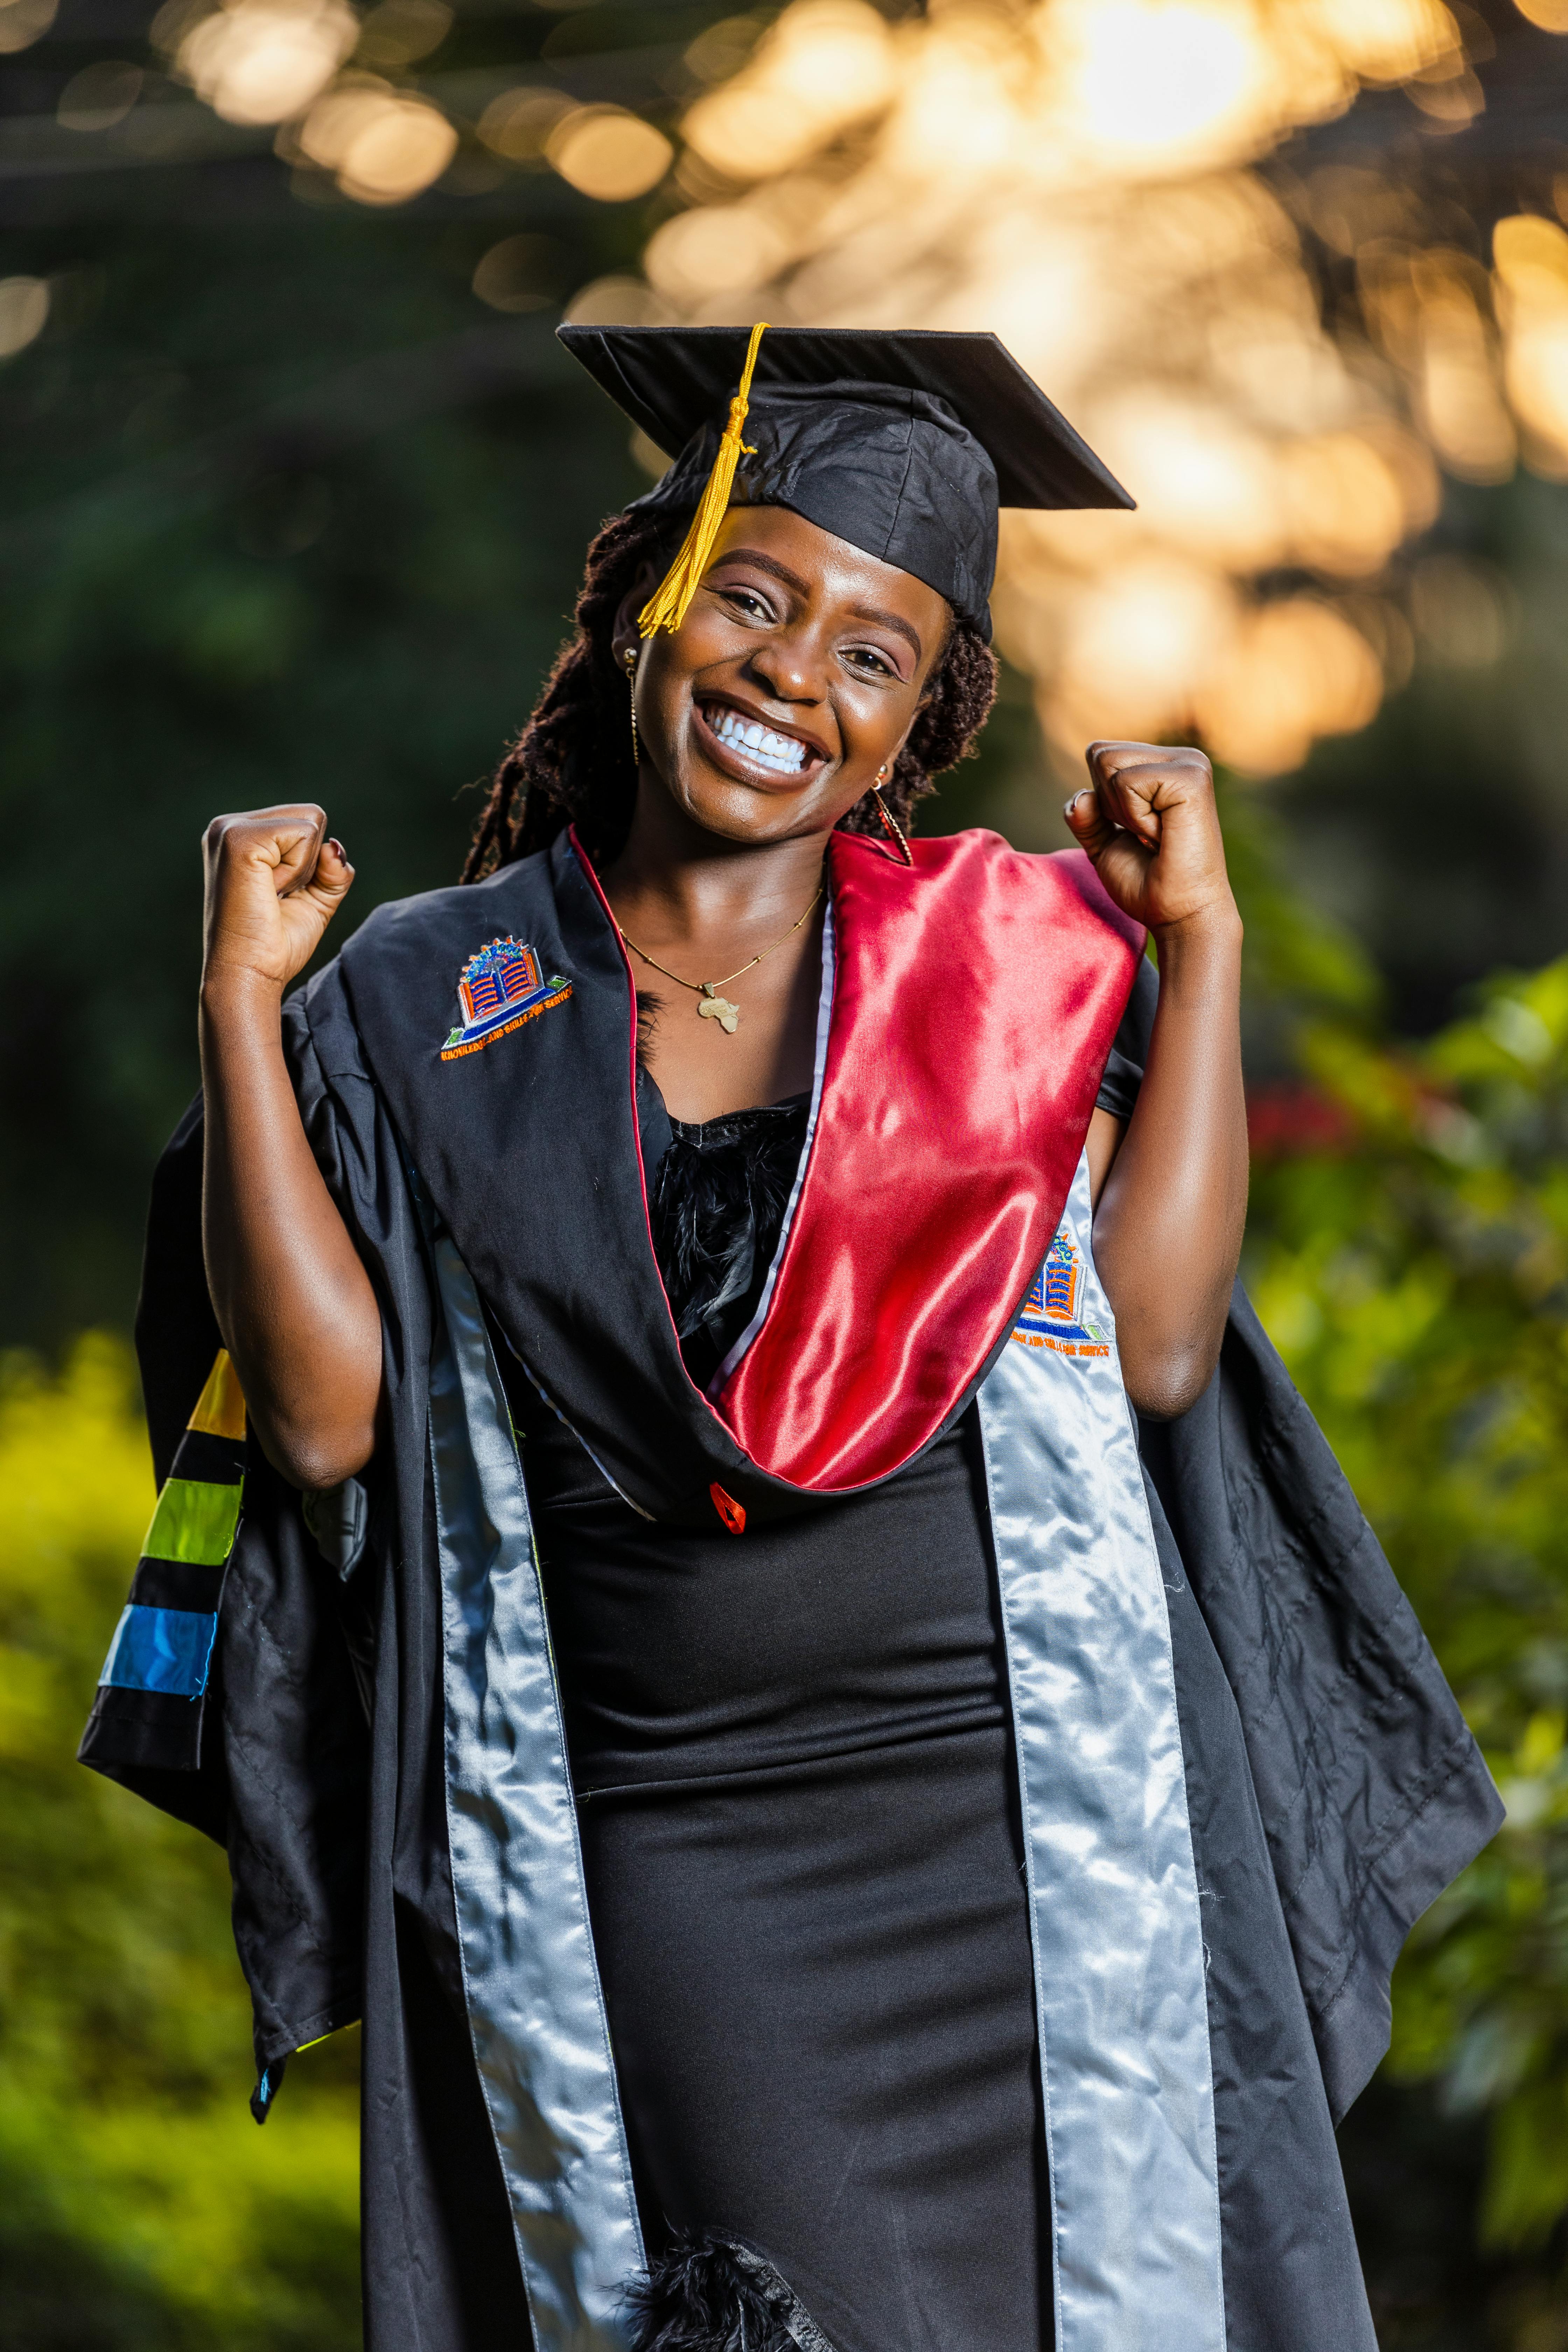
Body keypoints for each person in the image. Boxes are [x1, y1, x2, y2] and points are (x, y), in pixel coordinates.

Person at [81, 325, 1501, 2352]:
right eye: (752, 599)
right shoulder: (430, 992)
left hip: (1022, 1834)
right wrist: (238, 1004)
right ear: (643, 612)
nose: (790, 676)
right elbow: (320, 1428)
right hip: (679, 1852)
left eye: (871, 650)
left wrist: (1203, 947)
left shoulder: (1003, 962)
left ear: (920, 719)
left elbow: (1163, 1348)